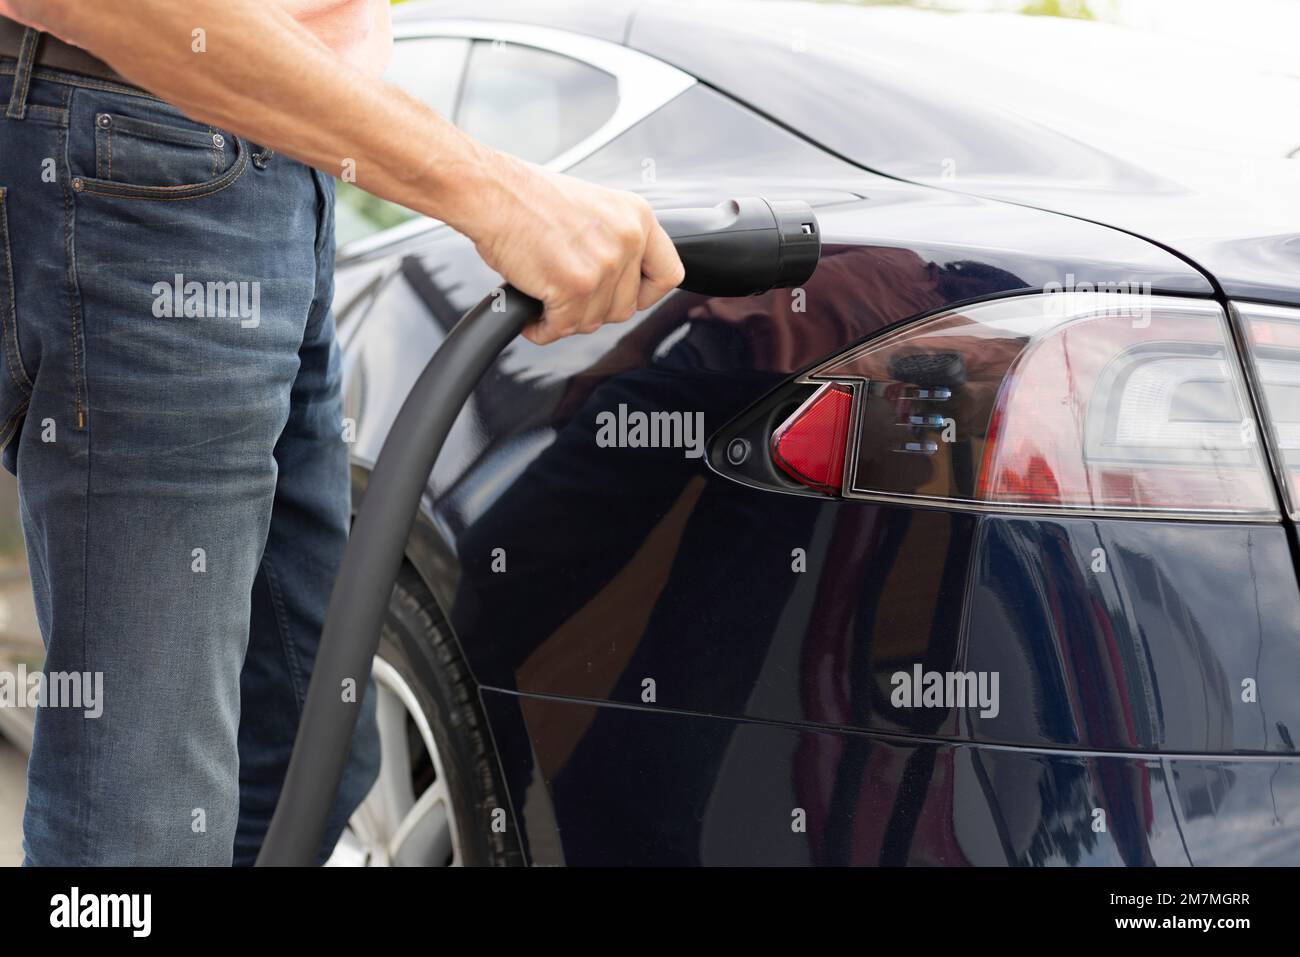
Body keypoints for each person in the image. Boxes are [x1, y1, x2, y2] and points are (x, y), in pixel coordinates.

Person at [0, 0, 684, 866]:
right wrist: (495, 192)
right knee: (142, 822)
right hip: (140, 139)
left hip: (276, 172)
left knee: (303, 744)